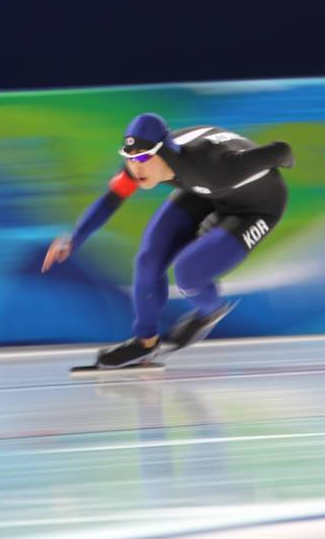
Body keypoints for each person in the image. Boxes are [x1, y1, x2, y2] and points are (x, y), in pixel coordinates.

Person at [42, 112, 293, 369]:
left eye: (142, 158)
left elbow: (281, 151)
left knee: (189, 273)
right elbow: (110, 201)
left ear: (163, 152)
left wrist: (287, 159)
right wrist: (74, 238)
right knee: (149, 259)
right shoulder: (138, 166)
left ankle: (209, 313)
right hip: (200, 189)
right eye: (129, 158)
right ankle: (145, 344)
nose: (135, 167)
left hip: (257, 207)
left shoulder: (217, 167)